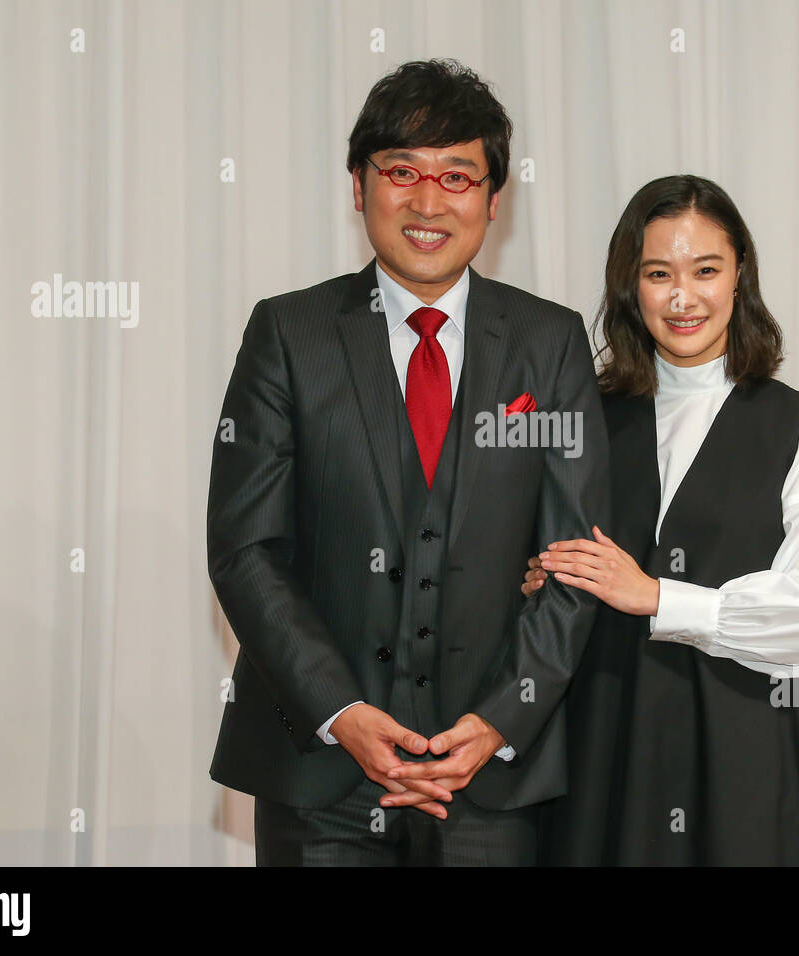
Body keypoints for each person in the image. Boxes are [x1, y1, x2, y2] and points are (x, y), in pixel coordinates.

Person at [206, 58, 609, 865]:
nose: (428, 202)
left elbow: (578, 561)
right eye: (401, 172)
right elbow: (247, 551)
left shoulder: (550, 344)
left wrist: (498, 721)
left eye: (457, 176)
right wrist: (343, 712)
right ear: (359, 186)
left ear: (495, 201)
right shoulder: (288, 336)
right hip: (321, 774)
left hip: (490, 780)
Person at [525, 175, 799, 865]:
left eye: (706, 270)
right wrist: (536, 581)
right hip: (611, 760)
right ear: (631, 286)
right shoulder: (582, 422)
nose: (683, 297)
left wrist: (660, 597)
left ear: (739, 273)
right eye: (659, 273)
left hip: (757, 768)